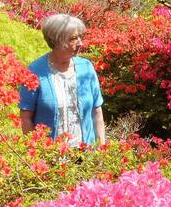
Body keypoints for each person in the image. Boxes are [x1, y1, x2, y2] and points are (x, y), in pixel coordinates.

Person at [19, 13, 106, 146]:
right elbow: (26, 117)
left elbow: (97, 112)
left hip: (86, 155)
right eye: (73, 38)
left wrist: (101, 148)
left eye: (80, 37)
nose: (80, 43)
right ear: (56, 40)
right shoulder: (35, 71)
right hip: (49, 156)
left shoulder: (86, 68)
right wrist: (33, 152)